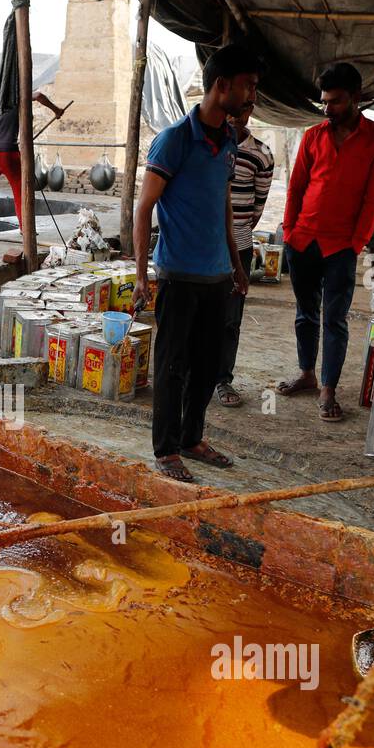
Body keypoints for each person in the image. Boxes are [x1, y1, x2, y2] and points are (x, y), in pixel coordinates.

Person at [131, 43, 260, 484]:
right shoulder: (173, 140)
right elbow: (143, 208)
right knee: (171, 366)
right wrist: (141, 275)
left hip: (217, 275)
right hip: (178, 276)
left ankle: (192, 438)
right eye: (247, 86)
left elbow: (222, 202)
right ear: (221, 86)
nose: (252, 96)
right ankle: (166, 449)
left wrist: (237, 265)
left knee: (207, 366)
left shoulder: (227, 139)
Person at [277, 62, 374, 423]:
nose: (328, 109)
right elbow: (296, 187)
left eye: (336, 101)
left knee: (336, 320)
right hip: (303, 240)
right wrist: (289, 231)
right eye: (324, 102)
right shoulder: (313, 136)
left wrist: (356, 243)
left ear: (356, 98)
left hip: (341, 246)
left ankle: (328, 387)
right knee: (305, 313)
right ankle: (307, 374)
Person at [215, 100, 273, 409]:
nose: (235, 117)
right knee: (198, 313)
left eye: (242, 111)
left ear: (250, 112)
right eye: (231, 110)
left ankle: (222, 379)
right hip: (205, 247)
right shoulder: (207, 145)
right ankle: (190, 374)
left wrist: (234, 235)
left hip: (238, 246)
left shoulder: (260, 154)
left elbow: (257, 209)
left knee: (230, 318)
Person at [0, 91, 66, 235]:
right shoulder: (18, 99)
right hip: (10, 153)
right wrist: (56, 110)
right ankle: (24, 228)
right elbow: (38, 96)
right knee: (20, 193)